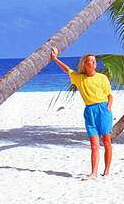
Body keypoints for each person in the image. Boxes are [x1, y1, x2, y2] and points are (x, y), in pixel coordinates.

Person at [49, 47, 114, 179]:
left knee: (107, 141)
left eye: (94, 61)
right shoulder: (79, 78)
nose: (93, 63)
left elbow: (110, 96)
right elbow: (67, 70)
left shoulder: (102, 78)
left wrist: (108, 108)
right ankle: (94, 173)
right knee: (94, 144)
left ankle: (106, 170)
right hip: (89, 111)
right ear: (85, 64)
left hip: (103, 110)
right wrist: (55, 58)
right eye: (90, 61)